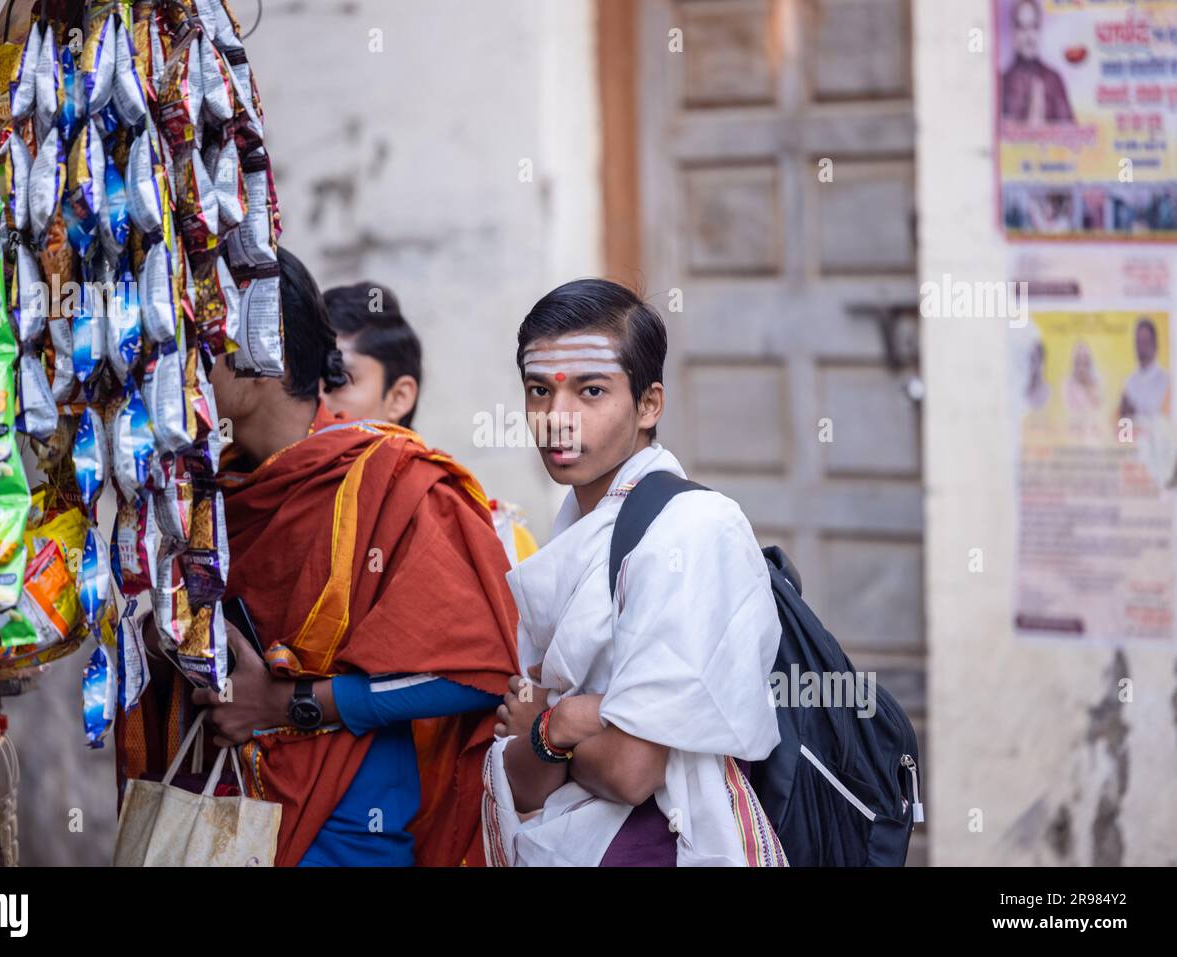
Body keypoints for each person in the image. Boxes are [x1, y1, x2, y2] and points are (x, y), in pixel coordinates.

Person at [115, 248, 519, 867]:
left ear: (261, 355)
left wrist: (287, 705)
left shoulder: (389, 478)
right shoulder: (211, 490)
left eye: (200, 342)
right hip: (218, 814)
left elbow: (476, 668)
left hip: (347, 835)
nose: (178, 368)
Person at [480, 279, 787, 866]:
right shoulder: (576, 528)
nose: (556, 419)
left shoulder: (694, 528)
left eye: (591, 391)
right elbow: (523, 782)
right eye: (539, 391)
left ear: (649, 405)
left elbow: (629, 771)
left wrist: (552, 722)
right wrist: (564, 724)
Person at [321, 279, 539, 565]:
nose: (317, 399)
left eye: (340, 379)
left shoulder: (478, 531)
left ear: (399, 397)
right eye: (304, 379)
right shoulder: (265, 500)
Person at [1001, 0, 1074, 125]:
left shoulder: (1053, 80)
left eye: (1034, 27)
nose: (1029, 37)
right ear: (1013, 33)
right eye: (1022, 28)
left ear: (1040, 30)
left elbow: (1071, 132)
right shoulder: (1003, 83)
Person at [1119, 317, 1170, 418]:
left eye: (1146, 341)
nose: (1141, 347)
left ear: (1155, 344)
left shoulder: (1167, 381)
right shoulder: (1128, 382)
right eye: (1138, 341)